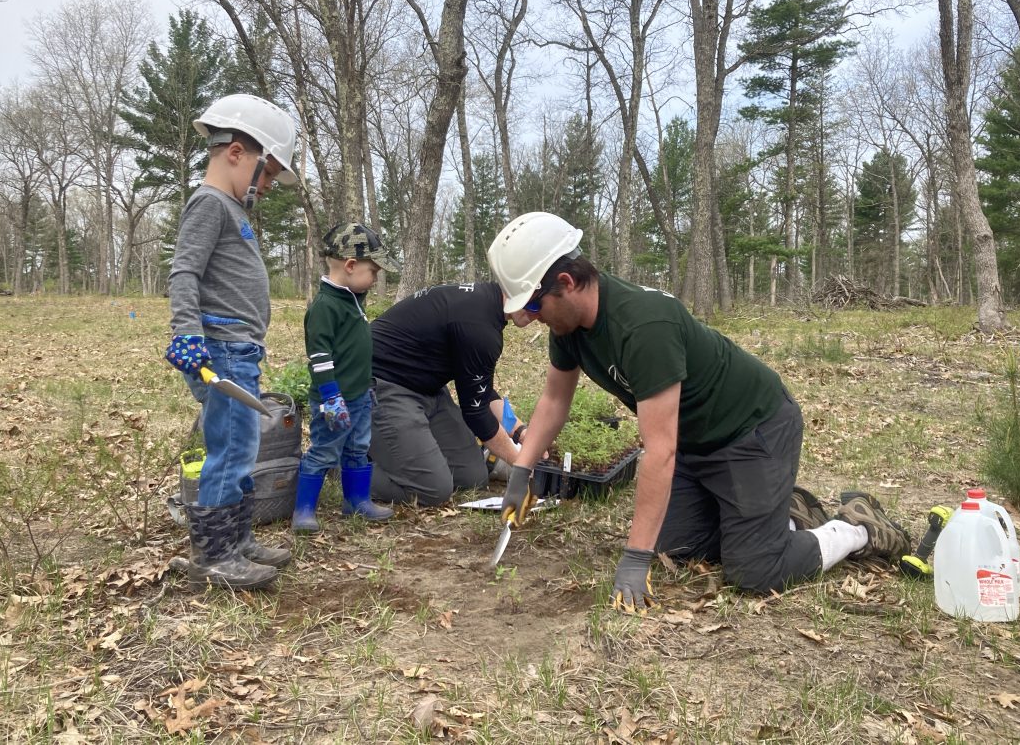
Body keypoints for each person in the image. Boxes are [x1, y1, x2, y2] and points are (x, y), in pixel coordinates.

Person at [487, 212, 911, 612]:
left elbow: (659, 452)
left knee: (756, 570)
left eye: (536, 306)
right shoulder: (569, 325)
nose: (532, 318)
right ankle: (781, 514)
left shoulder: (643, 327)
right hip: (696, 443)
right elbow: (554, 401)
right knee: (676, 546)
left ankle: (857, 528)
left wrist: (635, 559)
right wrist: (523, 471)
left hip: (754, 429)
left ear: (567, 282)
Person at [164, 93, 298, 592]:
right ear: (237, 151)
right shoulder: (208, 204)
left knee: (243, 446)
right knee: (231, 447)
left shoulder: (232, 207)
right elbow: (184, 272)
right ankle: (214, 557)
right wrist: (188, 334)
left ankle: (236, 540)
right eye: (266, 173)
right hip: (217, 348)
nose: (265, 186)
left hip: (240, 349)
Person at [368, 282, 528, 506]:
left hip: (429, 390)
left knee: (471, 477)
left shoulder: (486, 306)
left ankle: (393, 451)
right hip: (384, 385)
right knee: (432, 490)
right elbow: (477, 414)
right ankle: (343, 464)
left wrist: (521, 431)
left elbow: (481, 389)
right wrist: (522, 464)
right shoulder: (479, 324)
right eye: (534, 302)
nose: (537, 315)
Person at [292, 222, 400, 532]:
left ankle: (357, 501)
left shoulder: (352, 300)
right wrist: (330, 395)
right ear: (351, 266)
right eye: (374, 271)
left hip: (359, 396)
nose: (376, 277)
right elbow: (320, 357)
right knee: (325, 450)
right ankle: (303, 510)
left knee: (358, 447)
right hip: (334, 399)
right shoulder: (326, 307)